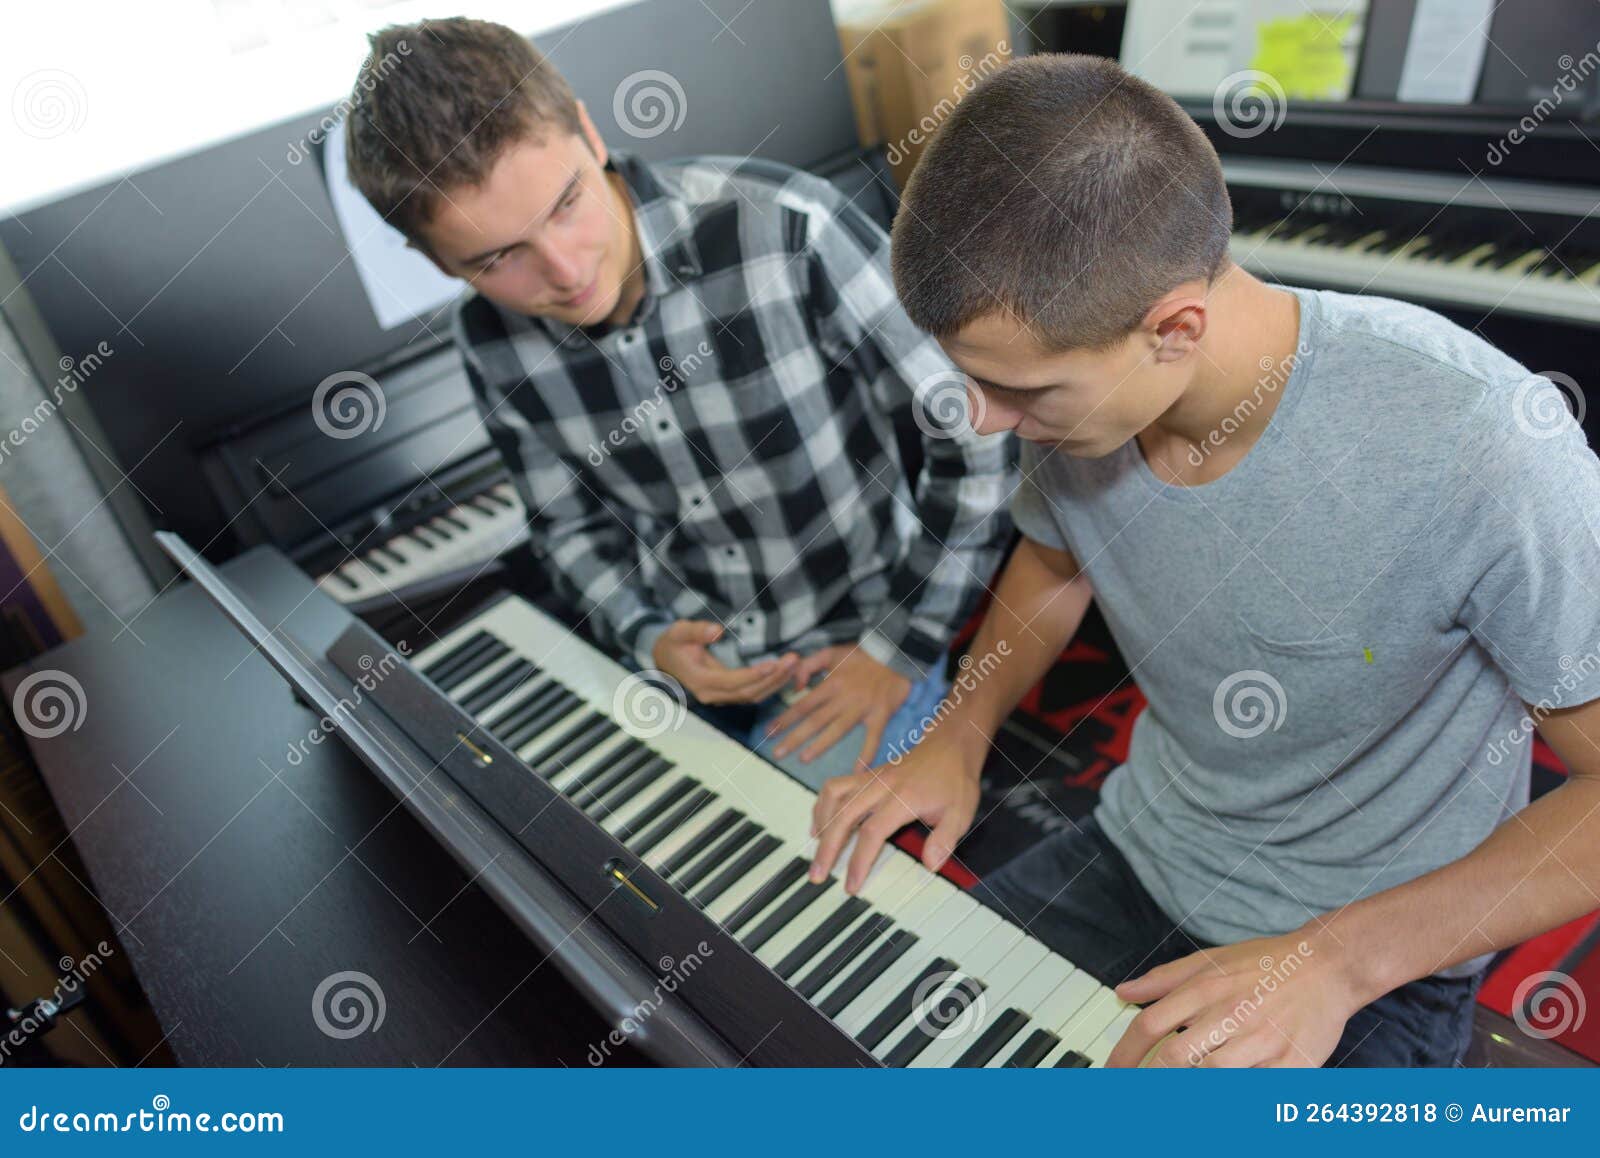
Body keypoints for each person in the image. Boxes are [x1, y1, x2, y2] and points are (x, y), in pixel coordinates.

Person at [808, 53, 1600, 1067]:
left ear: (1174, 327)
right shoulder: (1079, 399)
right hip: (1145, 847)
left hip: (1374, 940)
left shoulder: (1478, 441)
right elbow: (1054, 567)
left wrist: (1338, 961)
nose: (981, 419)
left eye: (1023, 392)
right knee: (856, 1041)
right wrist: (958, 732)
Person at [342, 18, 1013, 789]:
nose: (563, 271)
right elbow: (565, 526)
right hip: (677, 665)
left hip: (855, 649)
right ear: (434, 262)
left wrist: (897, 649)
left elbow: (979, 438)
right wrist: (648, 635)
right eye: (498, 257)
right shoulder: (487, 341)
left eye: (565, 204)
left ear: (589, 134)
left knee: (792, 878)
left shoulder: (786, 228)